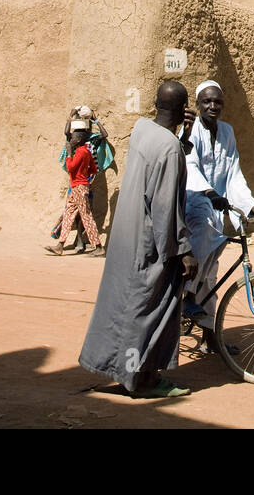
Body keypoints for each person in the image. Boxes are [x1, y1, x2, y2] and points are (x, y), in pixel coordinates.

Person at [79, 81, 199, 398]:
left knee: (128, 305)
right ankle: (144, 379)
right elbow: (165, 205)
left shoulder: (143, 129)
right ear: (183, 108)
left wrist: (183, 137)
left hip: (129, 234)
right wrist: (182, 249)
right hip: (152, 242)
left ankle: (124, 369)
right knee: (152, 309)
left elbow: (162, 168)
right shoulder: (169, 148)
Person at [181, 80, 254, 353]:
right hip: (195, 200)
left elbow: (234, 173)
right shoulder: (190, 130)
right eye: (206, 101)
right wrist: (207, 191)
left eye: (217, 102)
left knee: (212, 275)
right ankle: (189, 292)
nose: (212, 106)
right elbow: (190, 165)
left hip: (218, 205)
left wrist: (250, 204)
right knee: (204, 232)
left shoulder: (227, 132)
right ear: (197, 104)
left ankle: (210, 338)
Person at [47, 119, 103, 256]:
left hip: (78, 187)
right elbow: (93, 169)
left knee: (86, 217)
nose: (71, 138)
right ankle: (60, 245)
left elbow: (71, 168)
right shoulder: (87, 151)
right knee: (68, 215)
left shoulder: (80, 152)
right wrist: (85, 177)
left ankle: (99, 247)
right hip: (80, 186)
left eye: (73, 136)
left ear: (78, 139)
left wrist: (69, 154)